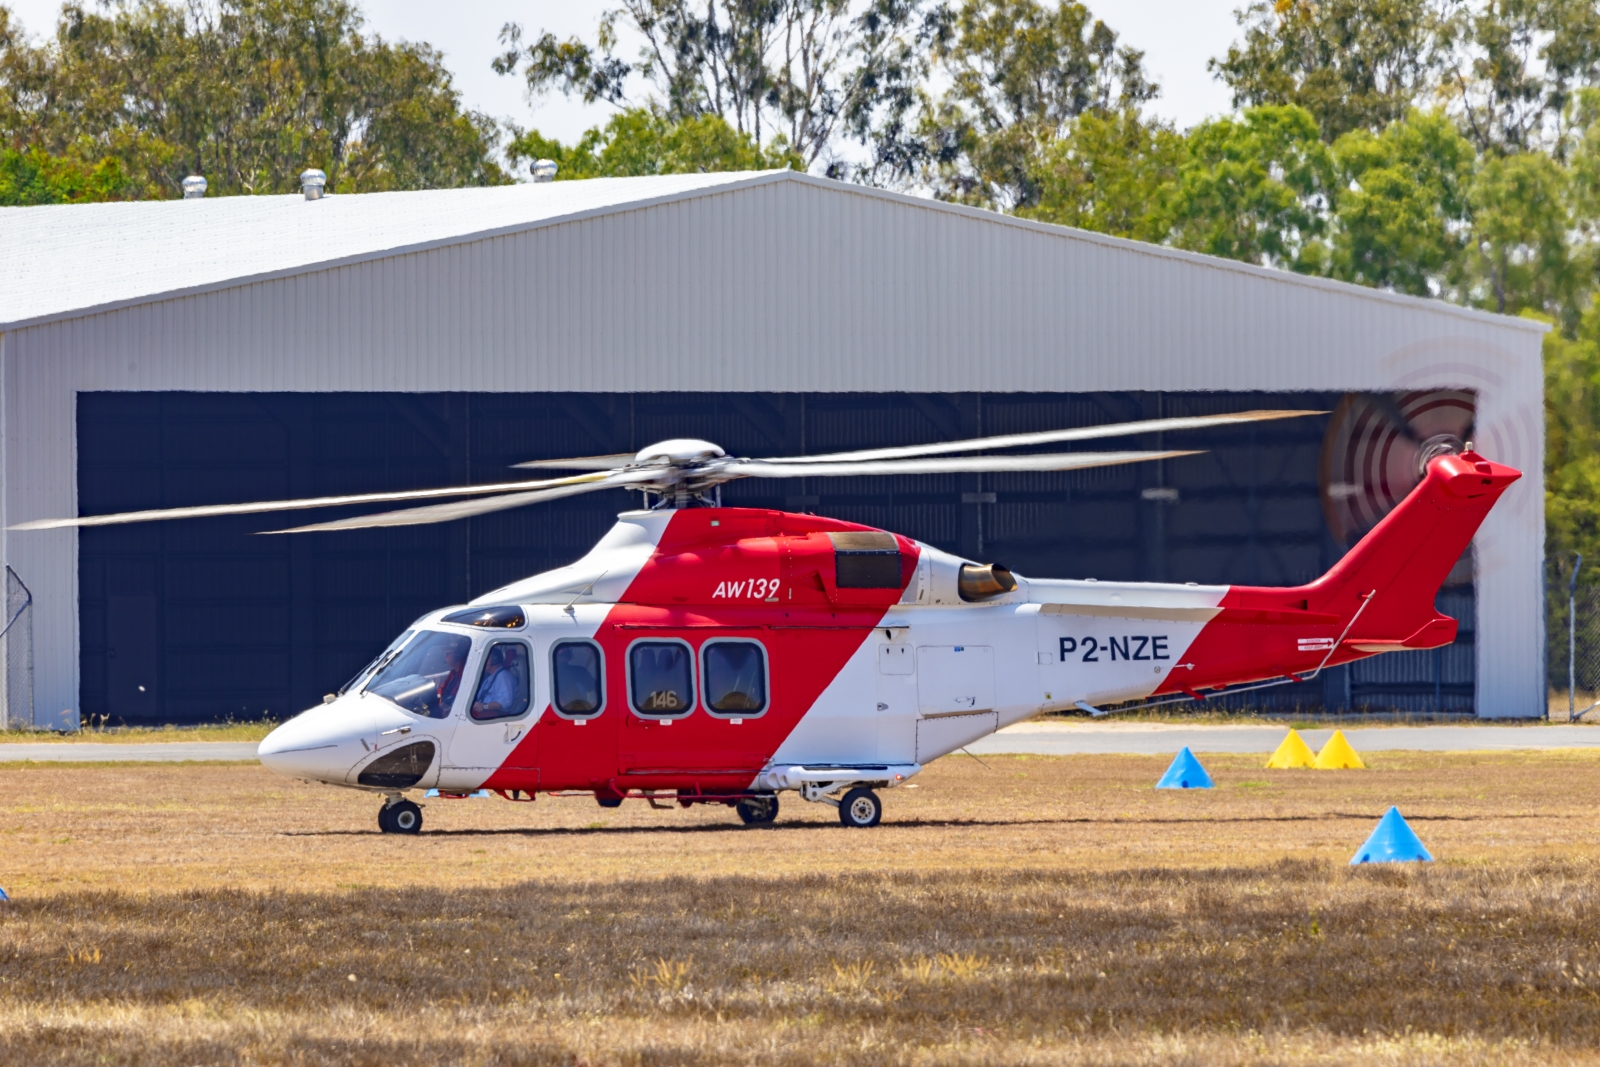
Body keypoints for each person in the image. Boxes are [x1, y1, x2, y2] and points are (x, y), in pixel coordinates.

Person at [472, 645, 520, 720]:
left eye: (485, 658)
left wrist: (484, 706)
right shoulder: (490, 677)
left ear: (494, 660)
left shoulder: (504, 676)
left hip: (498, 714)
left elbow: (506, 702)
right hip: (486, 710)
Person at [435, 642, 465, 716]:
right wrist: (438, 697)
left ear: (457, 655)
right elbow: (442, 688)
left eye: (447, 654)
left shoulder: (465, 674)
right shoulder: (453, 672)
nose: (445, 657)